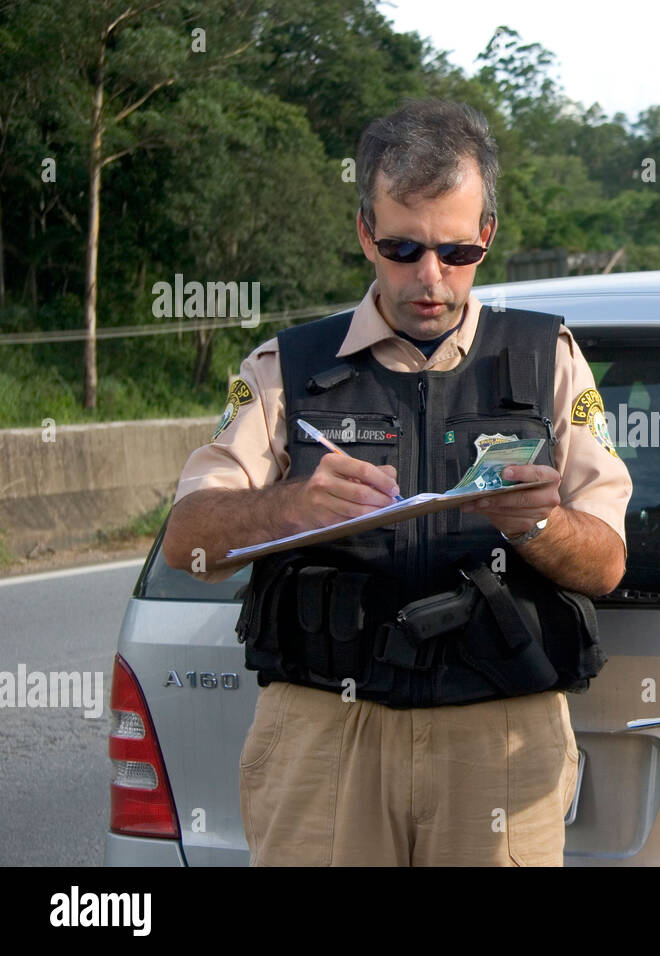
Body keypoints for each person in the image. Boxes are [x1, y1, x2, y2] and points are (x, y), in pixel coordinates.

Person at [162, 99, 631, 866]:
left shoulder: (548, 358)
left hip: (497, 735)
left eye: (456, 252)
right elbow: (188, 542)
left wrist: (536, 524)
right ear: (363, 234)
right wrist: (292, 506)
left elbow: (606, 562)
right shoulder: (289, 368)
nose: (430, 278)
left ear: (488, 235)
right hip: (324, 736)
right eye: (402, 247)